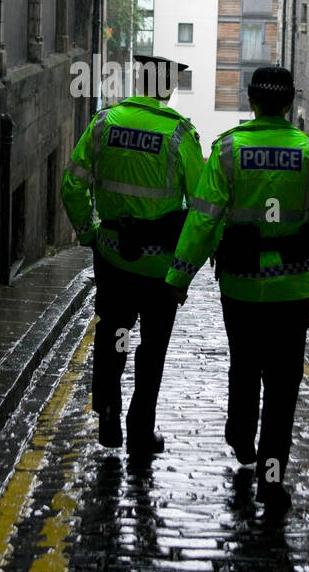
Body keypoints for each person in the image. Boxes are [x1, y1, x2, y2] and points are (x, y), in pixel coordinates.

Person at [165, 64, 309, 518]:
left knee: (245, 363)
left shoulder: (228, 150)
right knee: (284, 383)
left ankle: (241, 434)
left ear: (252, 102)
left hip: (242, 286)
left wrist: (179, 276)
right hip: (293, 288)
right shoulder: (308, 151)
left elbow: (203, 218)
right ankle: (271, 479)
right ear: (288, 104)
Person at [61, 54, 204, 455]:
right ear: (167, 88)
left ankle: (107, 413)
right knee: (152, 348)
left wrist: (88, 232)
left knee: (113, 335)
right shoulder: (178, 135)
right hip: (159, 269)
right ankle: (140, 428)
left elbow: (72, 185)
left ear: (140, 82)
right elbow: (202, 210)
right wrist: (185, 270)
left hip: (112, 259)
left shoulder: (104, 123)